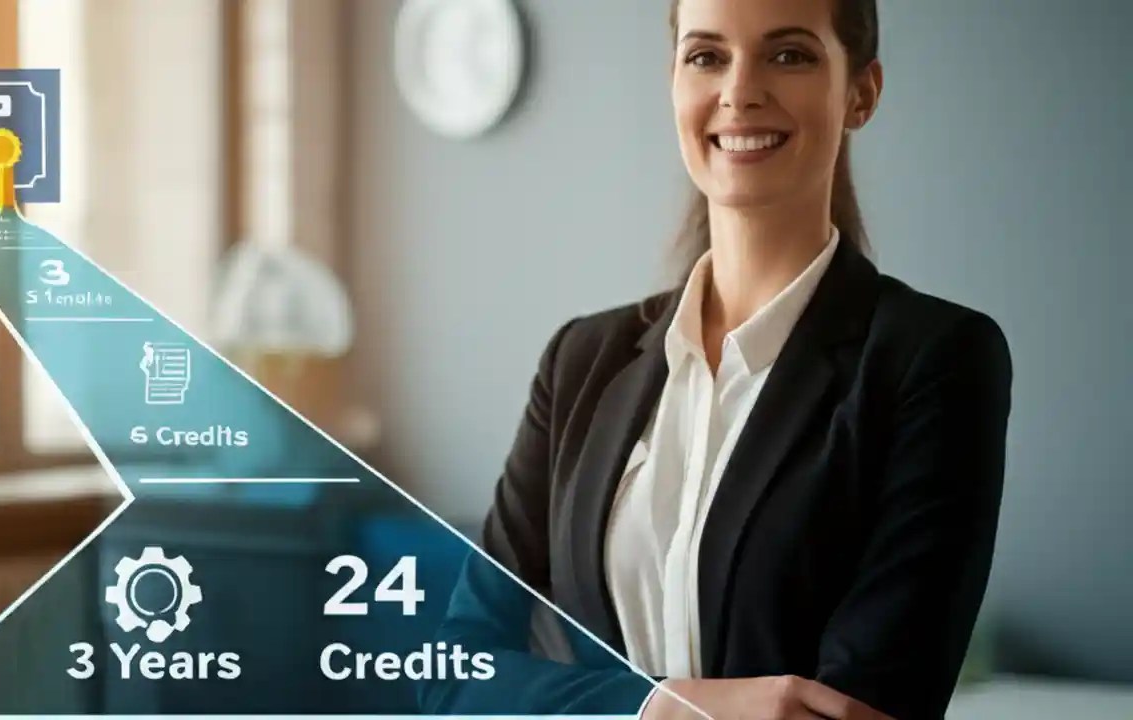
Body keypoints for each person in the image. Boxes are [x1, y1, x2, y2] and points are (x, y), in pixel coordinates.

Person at [420, 0, 1012, 718]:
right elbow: (452, 675)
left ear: (861, 91)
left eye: (789, 55)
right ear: (674, 82)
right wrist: (661, 708)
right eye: (707, 56)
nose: (740, 90)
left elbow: (868, 705)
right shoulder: (579, 363)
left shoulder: (935, 360)